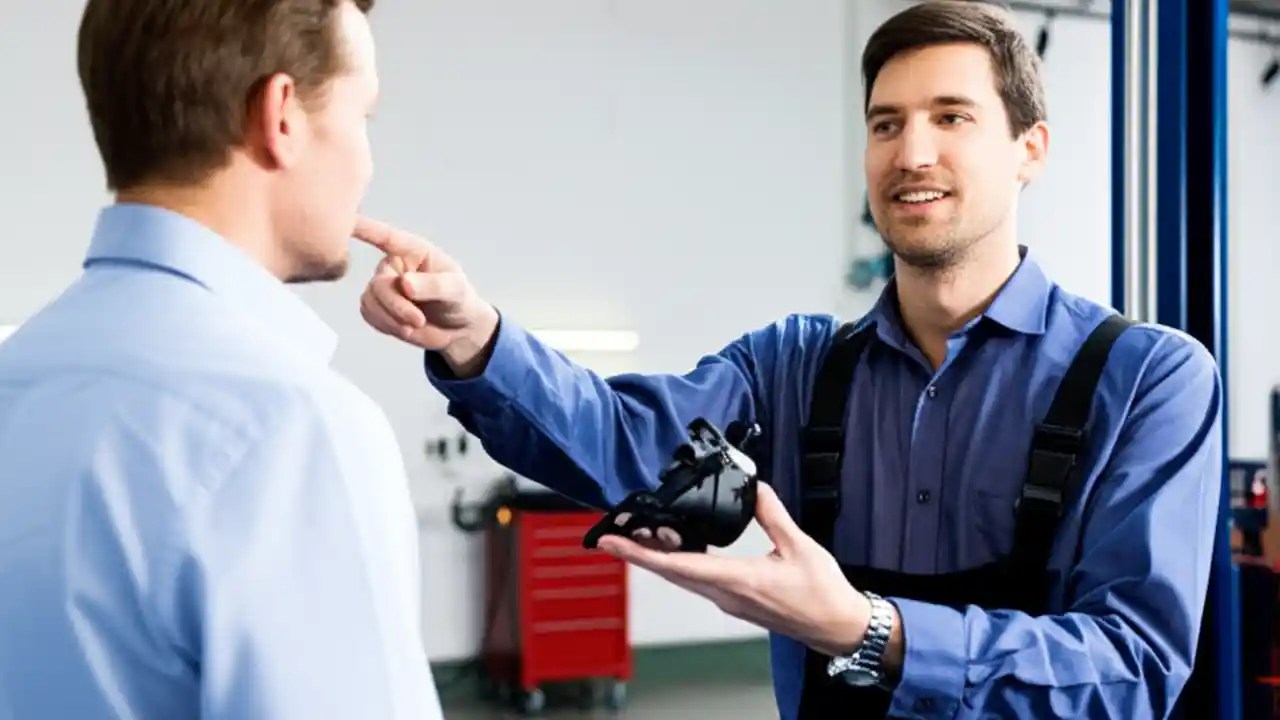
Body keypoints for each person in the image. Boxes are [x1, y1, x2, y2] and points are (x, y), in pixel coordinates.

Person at [356, 2, 1222, 718]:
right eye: (887, 124)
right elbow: (625, 439)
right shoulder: (794, 368)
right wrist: (474, 337)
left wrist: (870, 631)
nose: (911, 152)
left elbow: (1133, 667)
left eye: (951, 117)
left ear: (1029, 149)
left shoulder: (1149, 379)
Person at [0, 1, 442, 718]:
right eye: (365, 116)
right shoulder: (293, 431)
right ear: (283, 117)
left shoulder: (15, 377)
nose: (368, 160)